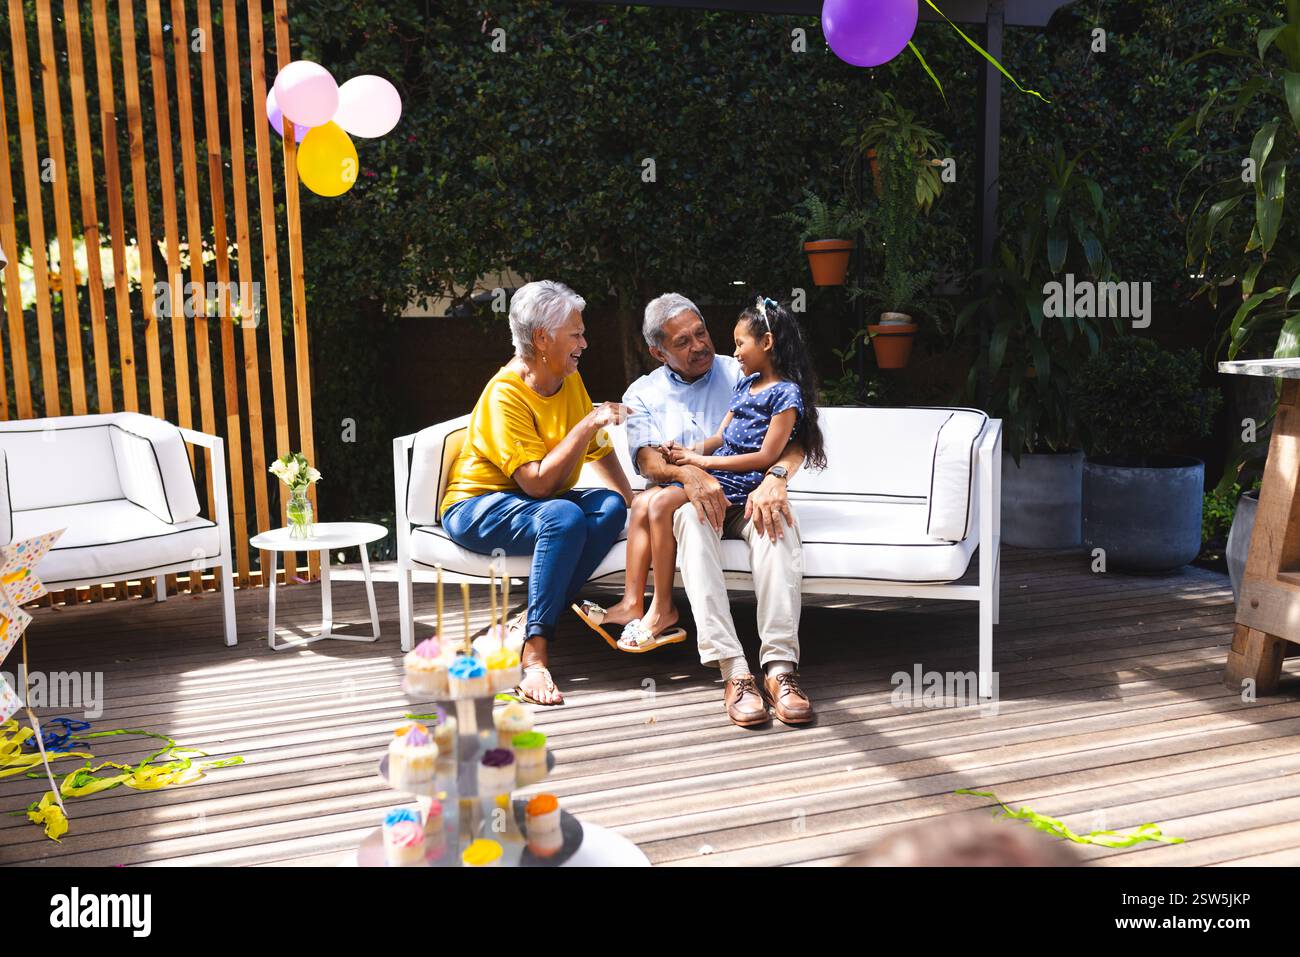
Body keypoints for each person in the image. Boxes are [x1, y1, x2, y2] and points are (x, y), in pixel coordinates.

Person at [598, 292, 816, 727]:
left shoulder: (744, 366)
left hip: (752, 490)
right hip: (692, 498)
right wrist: (691, 474)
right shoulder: (642, 393)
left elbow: (796, 442)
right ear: (658, 351)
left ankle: (779, 669)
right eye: (683, 342)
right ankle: (734, 671)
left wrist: (776, 479)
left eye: (701, 333)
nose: (700, 346)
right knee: (690, 524)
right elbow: (649, 462)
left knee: (777, 528)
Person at [438, 280, 633, 706]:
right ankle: (534, 657)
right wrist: (588, 423)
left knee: (609, 506)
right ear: (543, 338)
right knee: (562, 515)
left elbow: (597, 450)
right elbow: (539, 483)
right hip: (476, 506)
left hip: (535, 506)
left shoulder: (567, 377)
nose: (585, 341)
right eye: (576, 334)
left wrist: (633, 504)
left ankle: (523, 621)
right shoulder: (504, 393)